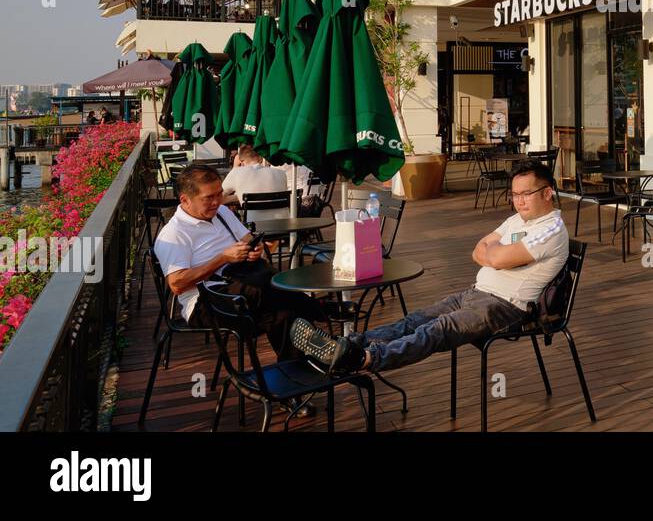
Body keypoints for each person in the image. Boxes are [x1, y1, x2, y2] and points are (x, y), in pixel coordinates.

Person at [291, 159, 568, 374]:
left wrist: (495, 253)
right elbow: (477, 250)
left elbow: (491, 256)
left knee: (436, 330)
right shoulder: (518, 221)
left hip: (505, 308)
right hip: (476, 293)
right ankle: (347, 345)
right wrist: (496, 253)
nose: (519, 201)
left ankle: (361, 359)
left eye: (526, 194)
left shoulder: (551, 229)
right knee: (414, 321)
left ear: (547, 193)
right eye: (515, 194)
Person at [153, 164, 327, 360]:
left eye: (219, 194)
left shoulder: (222, 213)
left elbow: (247, 241)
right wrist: (222, 258)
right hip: (205, 303)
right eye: (208, 198)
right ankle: (321, 312)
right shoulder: (174, 233)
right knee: (273, 293)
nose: (217, 201)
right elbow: (177, 285)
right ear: (185, 200)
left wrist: (254, 250)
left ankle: (305, 366)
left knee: (282, 313)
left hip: (243, 287)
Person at [222, 144, 290, 216]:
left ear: (241, 160)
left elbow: (217, 197)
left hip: (253, 224)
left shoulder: (236, 173)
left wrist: (238, 196)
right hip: (283, 223)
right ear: (260, 158)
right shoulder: (280, 173)